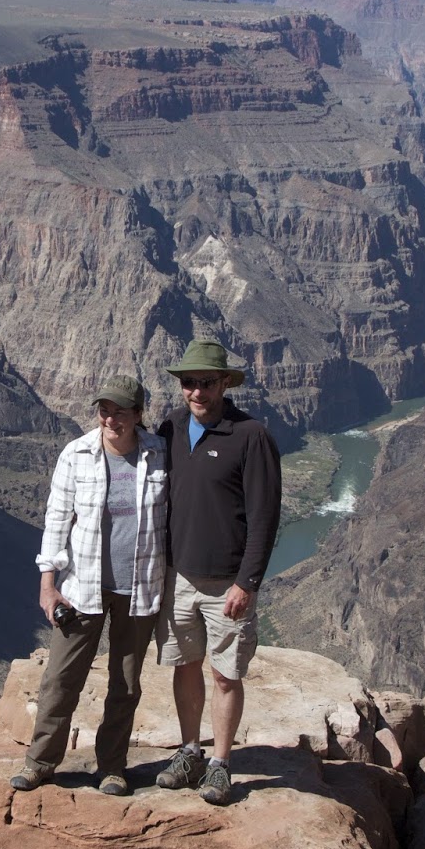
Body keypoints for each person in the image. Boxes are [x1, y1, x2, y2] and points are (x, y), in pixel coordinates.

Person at [12, 374, 170, 796]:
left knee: (126, 684)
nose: (111, 419)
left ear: (138, 414)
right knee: (60, 680)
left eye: (121, 412)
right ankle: (40, 763)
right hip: (82, 588)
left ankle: (112, 768)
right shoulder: (77, 454)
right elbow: (57, 519)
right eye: (104, 410)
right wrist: (48, 584)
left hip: (139, 587)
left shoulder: (160, 454)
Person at [154, 339, 281, 805]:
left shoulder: (250, 436)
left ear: (225, 383)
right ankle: (190, 751)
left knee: (226, 674)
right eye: (189, 382)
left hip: (227, 583)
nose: (197, 391)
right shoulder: (170, 428)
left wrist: (247, 583)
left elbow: (265, 517)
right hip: (177, 576)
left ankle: (221, 764)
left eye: (206, 382)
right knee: (184, 665)